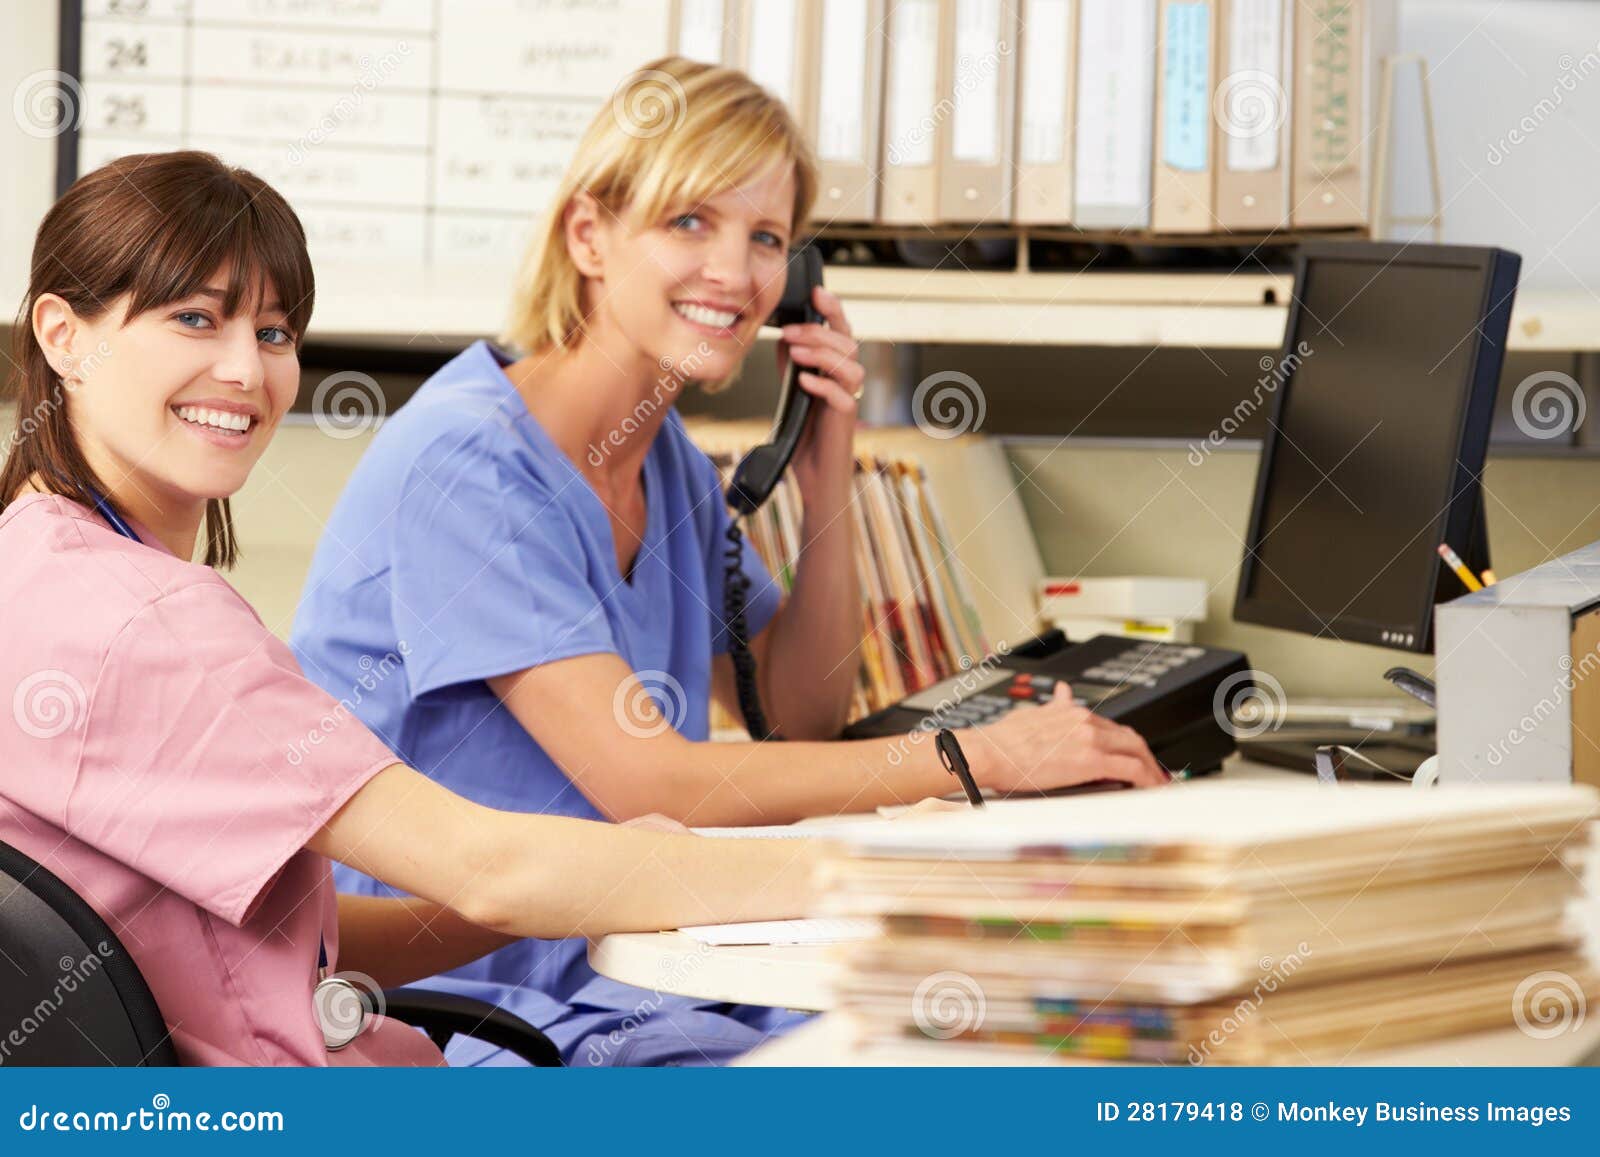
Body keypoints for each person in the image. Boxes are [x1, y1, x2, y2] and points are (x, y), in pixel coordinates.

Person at [291, 57, 1168, 1066]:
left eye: (767, 239)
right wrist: (977, 758)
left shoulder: (670, 467)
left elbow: (797, 711)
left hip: (635, 953)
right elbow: (642, 779)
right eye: (690, 223)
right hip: (458, 995)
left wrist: (828, 463)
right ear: (589, 236)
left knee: (1011, 1026)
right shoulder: (468, 463)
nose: (735, 273)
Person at [0, 150, 824, 1068]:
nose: (244, 370)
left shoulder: (36, 563)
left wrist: (595, 881)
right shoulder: (151, 620)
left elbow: (292, 935)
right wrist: (873, 879)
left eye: (274, 334)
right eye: (194, 318)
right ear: (63, 335)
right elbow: (489, 866)